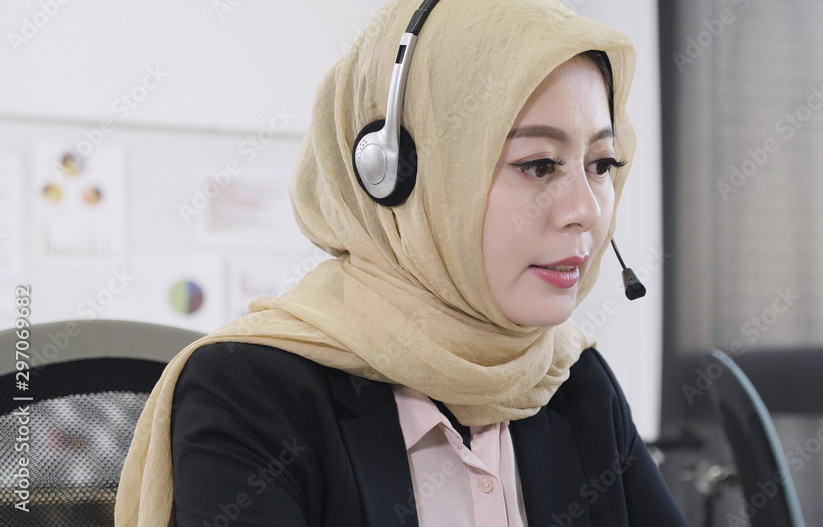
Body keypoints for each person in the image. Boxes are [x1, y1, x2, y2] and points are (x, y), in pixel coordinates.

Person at [114, 0, 689, 525]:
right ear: (397, 176)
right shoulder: (249, 392)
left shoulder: (568, 380)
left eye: (602, 163)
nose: (586, 212)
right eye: (539, 164)